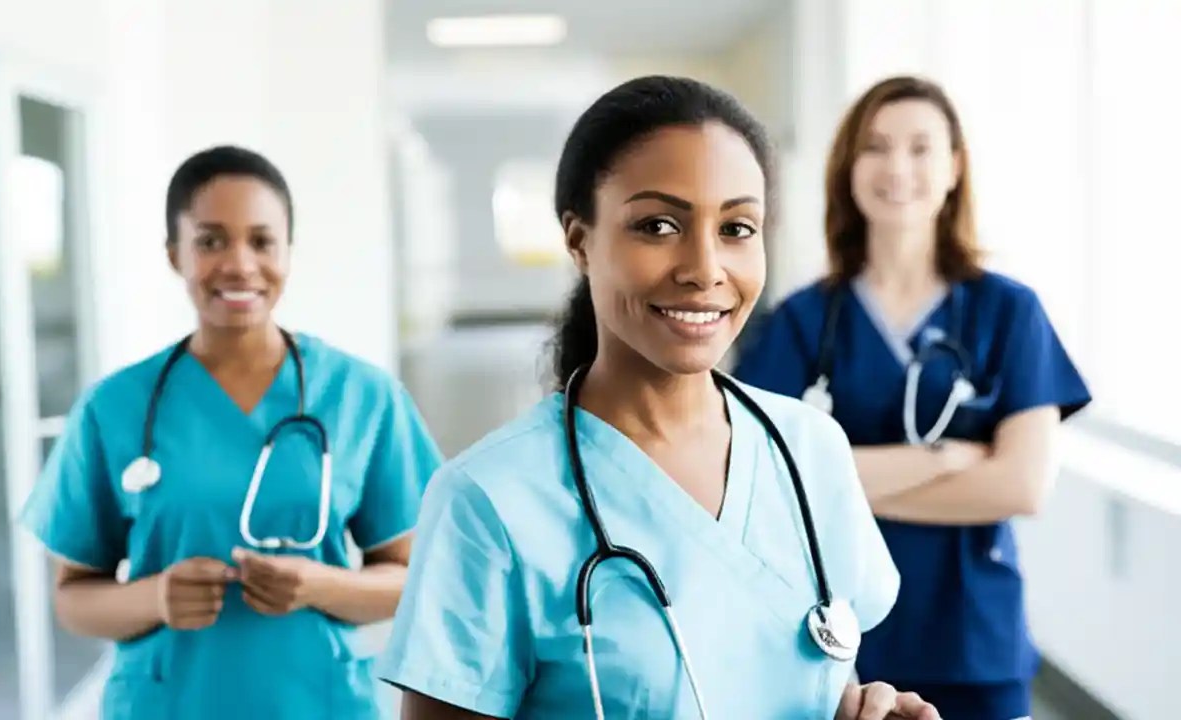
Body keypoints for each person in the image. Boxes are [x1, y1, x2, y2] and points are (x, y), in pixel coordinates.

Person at [375, 76, 940, 720]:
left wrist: (861, 710)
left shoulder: (808, 447)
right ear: (578, 239)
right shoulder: (487, 501)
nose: (704, 267)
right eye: (659, 224)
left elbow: (815, 670)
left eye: (737, 227)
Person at [19, 145, 443, 720]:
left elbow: (414, 579)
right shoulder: (113, 408)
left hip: (318, 702)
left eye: (262, 240)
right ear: (175, 254)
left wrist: (319, 586)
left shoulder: (363, 396)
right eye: (211, 240)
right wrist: (155, 597)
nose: (240, 264)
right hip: (167, 704)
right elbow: (73, 599)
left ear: (288, 253)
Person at [733, 75, 1092, 720]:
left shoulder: (1010, 312)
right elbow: (762, 484)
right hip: (838, 644)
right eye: (875, 146)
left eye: (920, 147)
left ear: (954, 167)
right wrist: (942, 461)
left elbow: (1021, 486)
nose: (897, 167)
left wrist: (837, 480)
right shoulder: (801, 321)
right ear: (848, 169)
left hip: (973, 639)